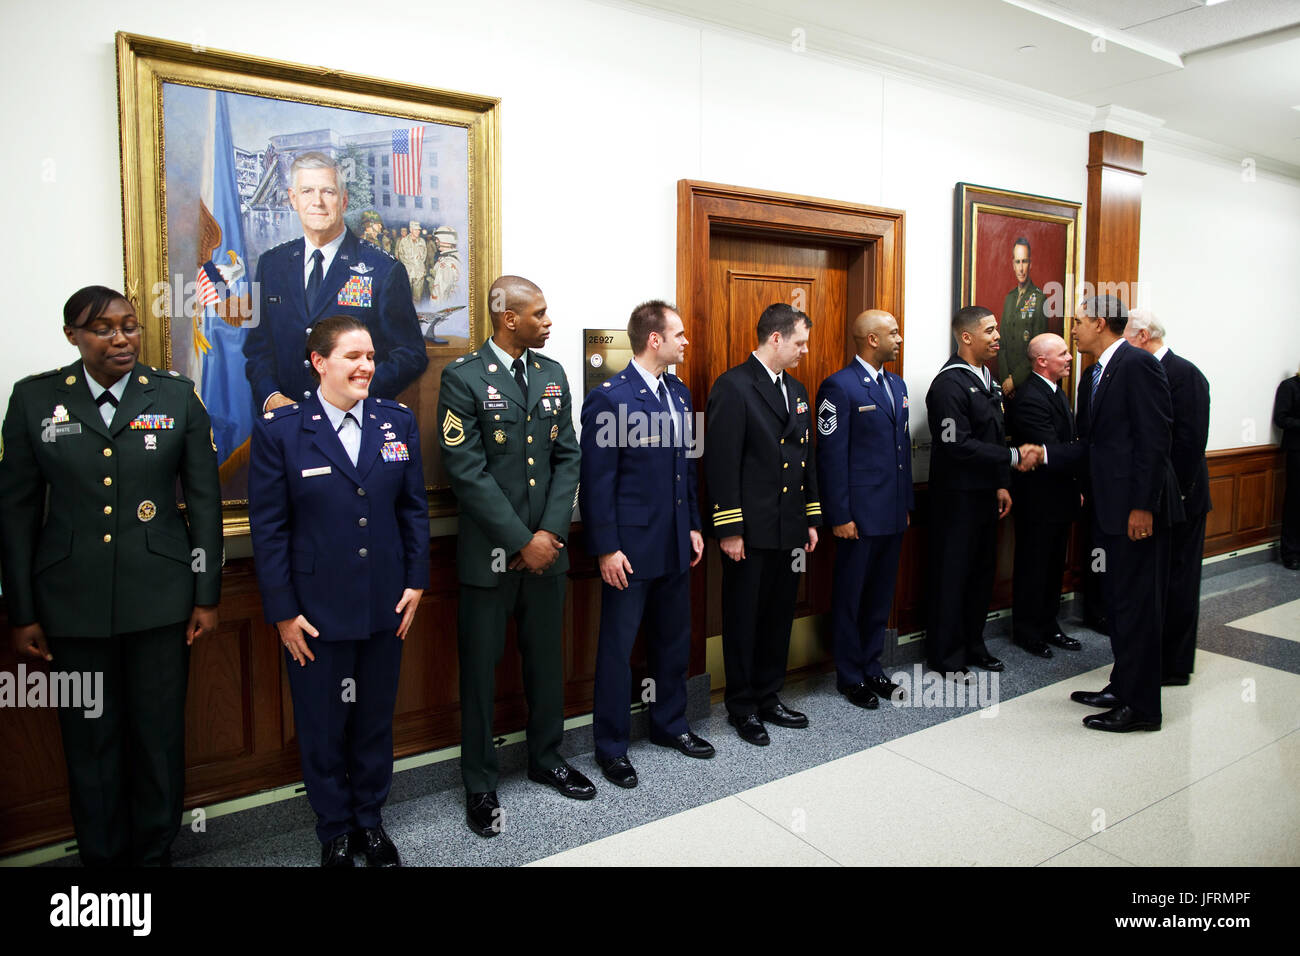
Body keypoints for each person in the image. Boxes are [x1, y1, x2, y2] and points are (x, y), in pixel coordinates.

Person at [0, 285, 222, 866]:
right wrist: (22, 611)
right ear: (72, 335)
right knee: (90, 741)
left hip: (162, 600)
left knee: (157, 738)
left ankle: (153, 855)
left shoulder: (175, 397)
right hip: (72, 604)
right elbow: (17, 511)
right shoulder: (34, 400)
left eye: (129, 325)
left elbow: (203, 502)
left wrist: (206, 594)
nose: (120, 338)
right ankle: (103, 863)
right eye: (103, 328)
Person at [248, 315, 428, 866]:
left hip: (385, 604)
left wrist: (416, 582)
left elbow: (413, 511)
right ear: (319, 362)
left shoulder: (396, 422)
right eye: (353, 356)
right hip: (314, 612)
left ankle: (370, 821)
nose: (367, 366)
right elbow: (270, 530)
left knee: (374, 719)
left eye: (371, 356)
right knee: (323, 725)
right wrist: (282, 613)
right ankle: (335, 830)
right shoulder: (282, 430)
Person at [438, 275, 592, 837]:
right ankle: (480, 784)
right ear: (509, 319)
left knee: (546, 663)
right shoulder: (464, 379)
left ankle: (547, 758)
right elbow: (467, 472)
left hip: (547, 555)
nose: (549, 322)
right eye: (541, 314)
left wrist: (549, 534)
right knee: (479, 674)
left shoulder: (552, 374)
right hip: (490, 558)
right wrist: (519, 540)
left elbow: (566, 457)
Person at [1021, 294, 1181, 732]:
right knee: (1119, 603)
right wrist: (1046, 454)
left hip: (1135, 511)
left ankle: (1142, 708)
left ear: (1099, 323)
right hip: (1109, 509)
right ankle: (1121, 685)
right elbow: (1092, 446)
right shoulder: (1097, 372)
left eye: (1078, 321)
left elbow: (1154, 441)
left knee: (1138, 607)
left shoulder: (1137, 364)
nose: (1073, 329)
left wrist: (1143, 507)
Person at [579, 300, 713, 788]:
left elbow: (689, 466)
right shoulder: (610, 398)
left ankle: (669, 725)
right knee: (617, 650)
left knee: (673, 641)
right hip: (629, 549)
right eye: (678, 334)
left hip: (677, 540)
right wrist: (605, 548)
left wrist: (695, 524)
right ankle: (611, 747)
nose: (685, 341)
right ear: (654, 339)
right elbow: (597, 482)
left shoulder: (679, 393)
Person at [704, 303, 821, 746]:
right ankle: (743, 705)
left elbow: (806, 459)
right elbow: (722, 463)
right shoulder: (734, 386)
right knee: (744, 618)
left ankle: (770, 695)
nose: (804, 350)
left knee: (778, 615)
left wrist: (811, 517)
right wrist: (729, 528)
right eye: (800, 342)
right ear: (776, 338)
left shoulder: (797, 389)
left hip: (788, 527)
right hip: (749, 530)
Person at [243, 152, 427, 413]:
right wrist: (271, 397)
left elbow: (410, 355)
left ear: (343, 200)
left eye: (327, 192)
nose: (317, 202)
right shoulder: (271, 265)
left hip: (355, 423)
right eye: (307, 191)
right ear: (293, 199)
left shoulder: (383, 270)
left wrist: (349, 395)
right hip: (284, 424)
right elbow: (257, 350)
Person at [814, 309, 913, 709]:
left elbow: (902, 451)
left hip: (892, 513)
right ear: (872, 339)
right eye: (893, 333)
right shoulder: (839, 387)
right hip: (857, 516)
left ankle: (873, 667)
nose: (899, 339)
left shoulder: (896, 384)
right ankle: (850, 675)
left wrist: (906, 503)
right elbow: (831, 457)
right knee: (851, 597)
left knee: (879, 596)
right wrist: (839, 515)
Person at [924, 306, 1018, 678]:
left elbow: (993, 433)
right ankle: (946, 655)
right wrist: (1011, 458)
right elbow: (955, 444)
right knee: (952, 575)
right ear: (966, 337)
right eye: (990, 330)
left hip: (984, 494)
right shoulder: (948, 385)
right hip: (956, 499)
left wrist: (1001, 482)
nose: (997, 336)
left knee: (981, 573)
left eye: (997, 329)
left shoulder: (987, 379)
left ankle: (974, 644)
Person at [1124, 310, 1210, 684]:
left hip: (1183, 499)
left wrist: (1172, 496)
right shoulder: (1144, 371)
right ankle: (1151, 659)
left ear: (1143, 335)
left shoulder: (1184, 373)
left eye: (1125, 335)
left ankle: (1174, 666)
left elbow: (1190, 444)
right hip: (1159, 498)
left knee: (1179, 582)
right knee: (1157, 584)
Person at [1008, 333, 1082, 658]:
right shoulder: (1029, 397)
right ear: (1042, 361)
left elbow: (1065, 446)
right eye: (1063, 354)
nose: (1069, 358)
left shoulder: (1056, 392)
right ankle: (1028, 631)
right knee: (1033, 567)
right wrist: (1080, 451)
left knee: (1054, 567)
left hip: (1061, 497)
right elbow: (1050, 448)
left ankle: (1049, 625)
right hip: (1037, 501)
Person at [999, 237, 1049, 401]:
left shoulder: (1040, 299)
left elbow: (1037, 348)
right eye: (1018, 262)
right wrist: (1006, 380)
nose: (1021, 268)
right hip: (1007, 385)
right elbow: (1003, 345)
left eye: (1025, 262)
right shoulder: (1009, 298)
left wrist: (1015, 380)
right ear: (1013, 264)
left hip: (1026, 383)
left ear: (1030, 264)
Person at [1275, 366, 1300, 570]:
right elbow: (1281, 419)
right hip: (1297, 451)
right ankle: (1290, 553)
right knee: (1295, 502)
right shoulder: (1289, 386)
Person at [396, 220, 429, 304]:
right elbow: (401, 256)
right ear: (411, 229)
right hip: (408, 273)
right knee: (405, 297)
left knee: (417, 298)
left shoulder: (422, 241)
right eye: (415, 229)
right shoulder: (404, 241)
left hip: (419, 273)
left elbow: (424, 256)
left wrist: (419, 265)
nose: (418, 231)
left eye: (419, 230)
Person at [429, 225, 461, 302]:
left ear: (445, 239)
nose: (436, 241)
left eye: (437, 239)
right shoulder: (456, 256)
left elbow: (439, 296)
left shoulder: (446, 264)